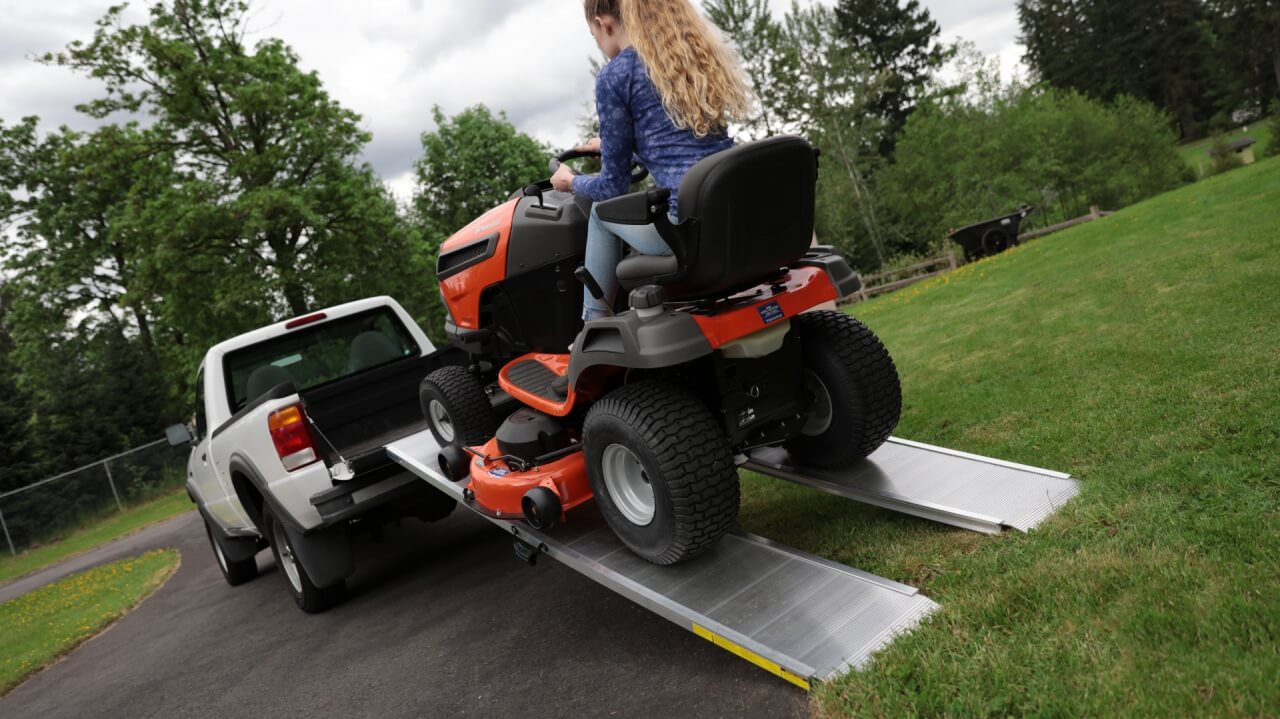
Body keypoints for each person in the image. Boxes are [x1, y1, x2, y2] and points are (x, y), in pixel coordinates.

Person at [550, 0, 751, 323]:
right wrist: (618, 147)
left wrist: (569, 181)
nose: (600, 46)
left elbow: (611, 187)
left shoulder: (617, 74)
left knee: (602, 215)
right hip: (734, 208)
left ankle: (593, 325)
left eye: (594, 37)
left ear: (606, 25)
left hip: (689, 228)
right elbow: (680, 147)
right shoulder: (686, 59)